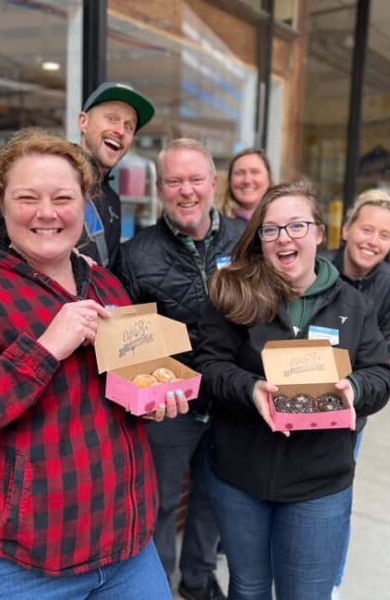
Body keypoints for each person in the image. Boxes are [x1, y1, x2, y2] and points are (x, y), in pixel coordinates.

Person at [0, 129, 185, 599]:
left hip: (123, 550)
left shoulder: (107, 287)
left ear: (86, 203)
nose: (47, 213)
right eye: (27, 197)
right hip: (5, 563)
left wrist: (152, 399)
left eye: (62, 197)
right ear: (2, 202)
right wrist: (43, 349)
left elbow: (128, 391)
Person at [195, 180, 390, 599]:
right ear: (260, 239)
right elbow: (210, 367)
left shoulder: (353, 305)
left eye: (297, 226)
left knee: (305, 593)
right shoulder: (235, 292)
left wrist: (355, 387)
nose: (284, 238)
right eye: (271, 229)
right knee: (248, 587)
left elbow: (381, 373)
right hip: (239, 476)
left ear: (320, 233)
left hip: (318, 484)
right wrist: (251, 390)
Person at [119, 139, 245, 600]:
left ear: (214, 184)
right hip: (168, 404)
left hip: (230, 399)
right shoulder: (136, 254)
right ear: (160, 188)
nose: (186, 191)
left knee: (213, 499)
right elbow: (129, 342)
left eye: (196, 180)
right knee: (160, 503)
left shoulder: (245, 241)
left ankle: (197, 581)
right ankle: (156, 588)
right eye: (175, 181)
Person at [0, 81, 154, 273]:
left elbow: (108, 270)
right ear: (83, 122)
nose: (120, 131)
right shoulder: (41, 168)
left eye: (129, 127)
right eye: (112, 119)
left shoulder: (112, 201)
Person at [326, 189, 390, 596]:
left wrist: (350, 392)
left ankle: (331, 580)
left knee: (336, 499)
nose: (372, 241)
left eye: (384, 235)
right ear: (347, 229)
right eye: (367, 228)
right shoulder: (317, 265)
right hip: (295, 397)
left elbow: (381, 357)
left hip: (349, 407)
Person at [221, 148, 272, 222]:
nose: (247, 180)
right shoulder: (217, 225)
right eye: (240, 173)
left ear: (268, 179)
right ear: (230, 181)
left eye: (255, 172)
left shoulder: (283, 222)